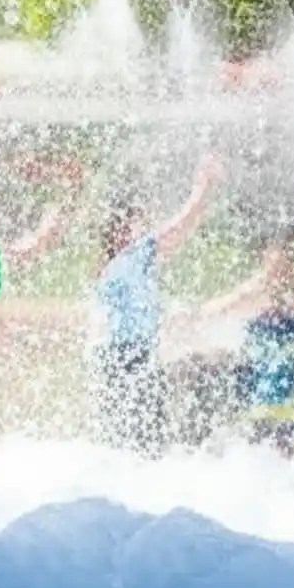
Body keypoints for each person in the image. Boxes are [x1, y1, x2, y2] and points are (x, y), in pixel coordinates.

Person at [93, 155, 224, 457]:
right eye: (140, 222)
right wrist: (201, 189)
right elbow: (176, 230)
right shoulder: (128, 260)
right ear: (122, 231)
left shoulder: (120, 269)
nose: (147, 227)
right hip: (128, 359)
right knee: (146, 446)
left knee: (132, 444)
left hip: (121, 359)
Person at [198, 242, 294, 457]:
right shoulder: (254, 300)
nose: (278, 274)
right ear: (264, 265)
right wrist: (248, 291)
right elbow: (208, 312)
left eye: (284, 266)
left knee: (292, 465)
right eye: (273, 267)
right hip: (258, 406)